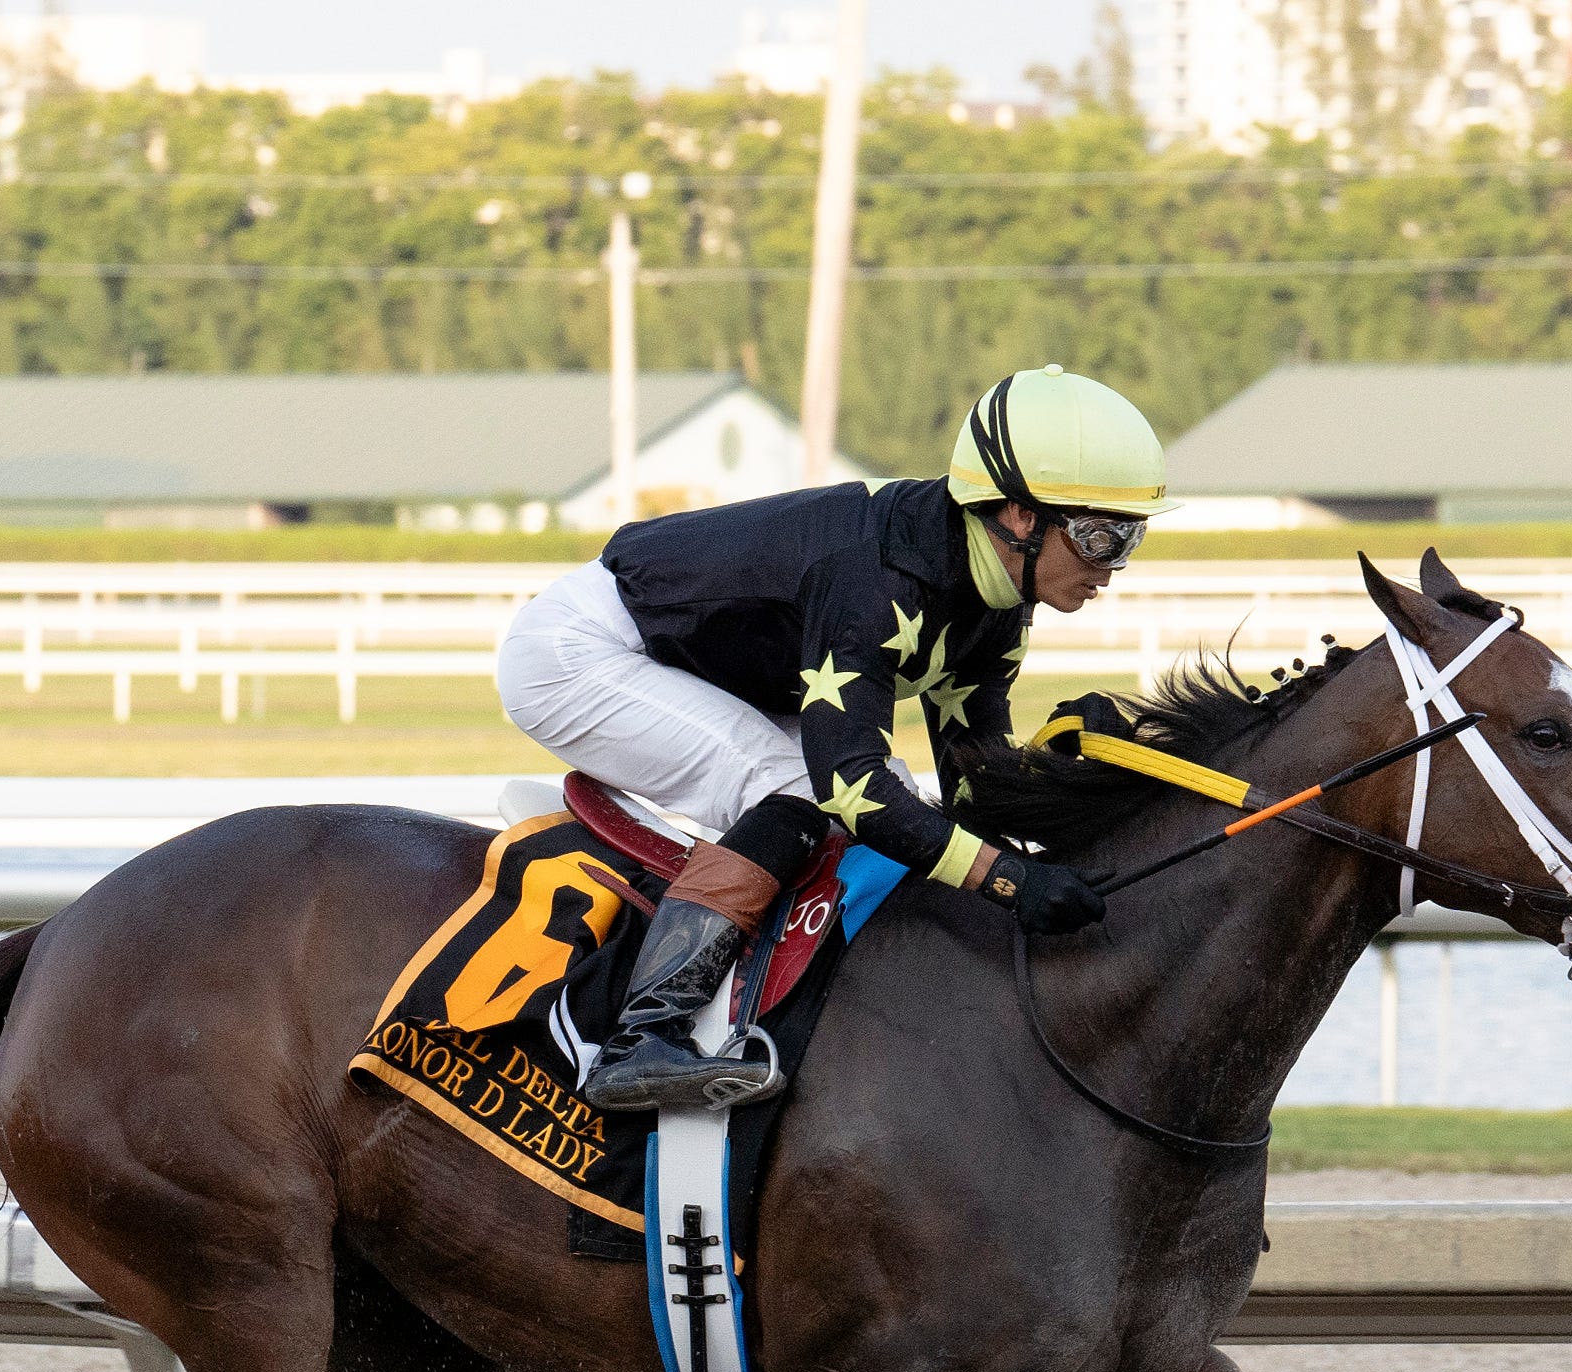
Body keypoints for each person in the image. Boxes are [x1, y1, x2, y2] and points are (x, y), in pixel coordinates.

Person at [495, 364, 1174, 1113]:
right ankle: (642, 1035)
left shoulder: (998, 600)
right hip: (581, 651)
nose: (1112, 568)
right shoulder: (878, 582)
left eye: (1131, 537)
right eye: (1100, 536)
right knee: (806, 791)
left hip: (705, 665)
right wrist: (1009, 881)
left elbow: (972, 790)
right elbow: (852, 790)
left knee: (898, 800)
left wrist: (1074, 777)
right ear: (1018, 515)